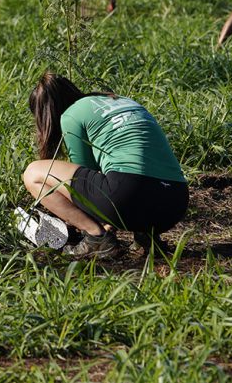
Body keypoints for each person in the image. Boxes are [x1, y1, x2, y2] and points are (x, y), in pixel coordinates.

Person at [20, 72, 188, 260]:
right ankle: (146, 237)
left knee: (33, 172)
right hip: (175, 203)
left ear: (47, 112)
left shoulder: (71, 114)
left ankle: (96, 238)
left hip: (129, 196)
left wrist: (77, 219)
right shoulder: (122, 100)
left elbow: (83, 178)